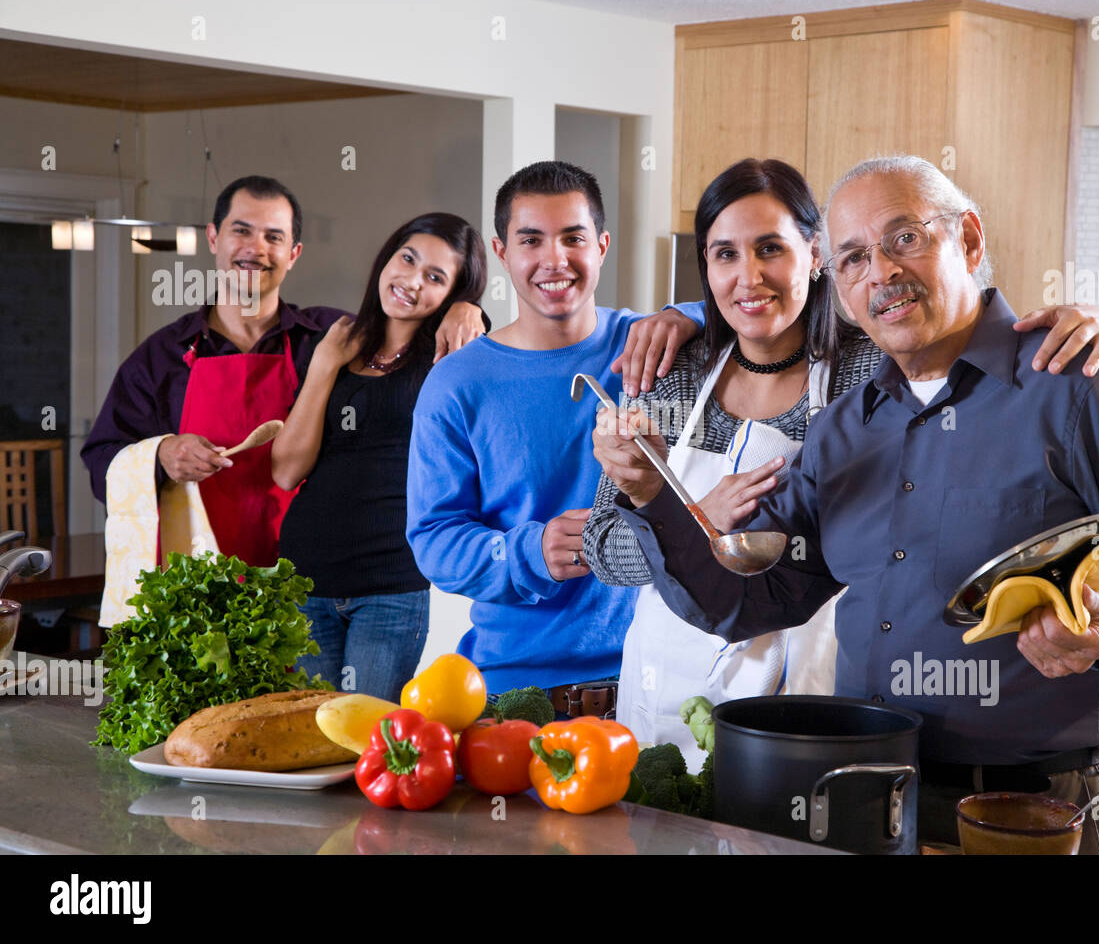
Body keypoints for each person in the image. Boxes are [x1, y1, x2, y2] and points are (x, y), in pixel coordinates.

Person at [603, 154, 1099, 854]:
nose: (881, 273)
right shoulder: (844, 428)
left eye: (905, 239)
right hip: (873, 799)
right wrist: (652, 496)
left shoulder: (1076, 386)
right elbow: (744, 601)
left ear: (970, 240)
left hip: (1037, 809)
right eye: (855, 257)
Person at [584, 158, 1099, 768]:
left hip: (975, 775)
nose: (882, 273)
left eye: (772, 248)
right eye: (724, 255)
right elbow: (662, 568)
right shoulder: (698, 380)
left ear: (813, 257)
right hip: (769, 725)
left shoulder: (895, 376)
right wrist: (671, 510)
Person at [405, 161, 706, 706]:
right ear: (502, 253)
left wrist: (690, 315)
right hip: (517, 692)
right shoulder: (455, 384)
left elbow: (764, 317)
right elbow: (432, 539)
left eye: (573, 237)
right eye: (531, 240)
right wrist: (526, 552)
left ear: (602, 245)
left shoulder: (653, 347)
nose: (555, 260)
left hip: (659, 680)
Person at [81, 175, 487, 569]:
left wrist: (465, 306)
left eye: (274, 237)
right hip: (193, 580)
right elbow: (102, 460)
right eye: (241, 231)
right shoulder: (160, 356)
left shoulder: (337, 338)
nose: (256, 249)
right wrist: (160, 455)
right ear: (213, 238)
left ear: (293, 254)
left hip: (309, 574)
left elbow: (410, 328)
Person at [272, 213, 487, 702]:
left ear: (454, 293)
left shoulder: (448, 355)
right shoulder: (334, 346)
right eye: (407, 259)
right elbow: (286, 471)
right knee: (309, 739)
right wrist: (326, 365)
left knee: (366, 741)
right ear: (387, 257)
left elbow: (492, 349)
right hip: (305, 576)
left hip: (391, 583)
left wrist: (471, 309)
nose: (411, 281)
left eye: (435, 277)